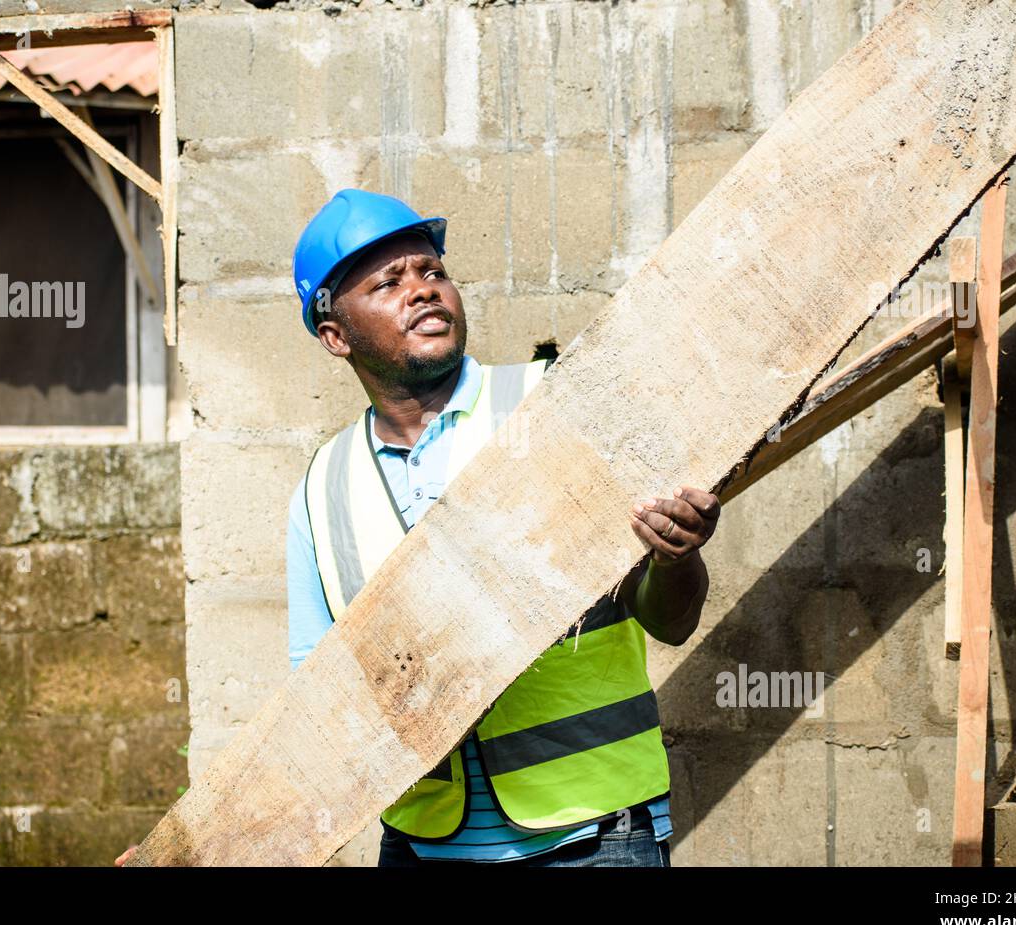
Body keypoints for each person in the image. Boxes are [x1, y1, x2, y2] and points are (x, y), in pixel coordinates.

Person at [285, 188, 719, 867]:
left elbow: (669, 621)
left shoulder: (555, 405)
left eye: (433, 272)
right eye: (389, 283)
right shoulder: (323, 487)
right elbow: (317, 699)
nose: (423, 291)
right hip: (424, 847)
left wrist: (675, 559)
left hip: (593, 836)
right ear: (336, 335)